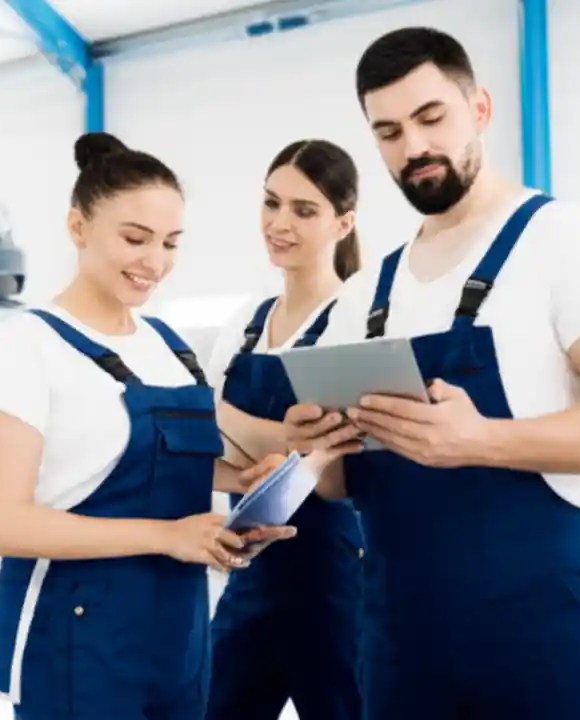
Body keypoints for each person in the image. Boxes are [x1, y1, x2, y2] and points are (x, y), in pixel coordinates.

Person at [248, 26, 580, 719]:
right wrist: (311, 457)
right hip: (397, 643)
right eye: (388, 131)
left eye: (431, 117)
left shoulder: (566, 239)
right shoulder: (365, 297)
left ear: (481, 109)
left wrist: (478, 441)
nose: (413, 147)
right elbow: (348, 477)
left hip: (536, 637)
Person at [0, 132, 295, 720]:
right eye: (135, 238)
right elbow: (3, 524)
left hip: (179, 635)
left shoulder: (168, 346)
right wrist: (169, 536)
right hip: (76, 637)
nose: (156, 262)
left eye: (171, 243)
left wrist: (251, 484)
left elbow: (174, 465)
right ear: (77, 227)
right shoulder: (28, 344)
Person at [203, 139, 365, 720]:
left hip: (335, 580)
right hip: (249, 570)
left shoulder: (358, 318)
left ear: (343, 222)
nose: (279, 223)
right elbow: (212, 434)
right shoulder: (246, 322)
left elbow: (339, 453)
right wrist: (286, 441)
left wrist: (226, 416)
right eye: (271, 204)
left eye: (304, 209)